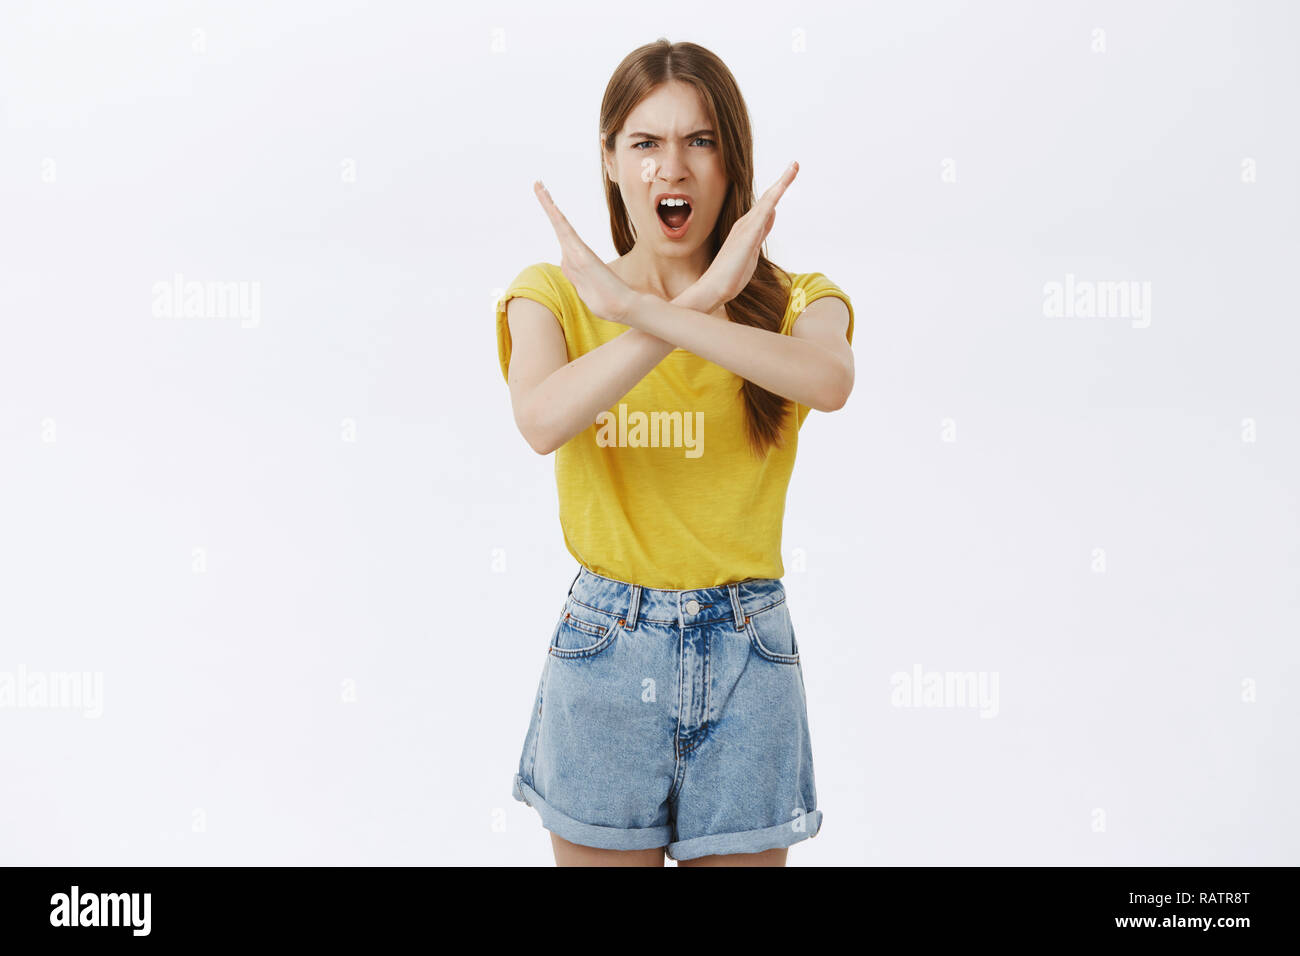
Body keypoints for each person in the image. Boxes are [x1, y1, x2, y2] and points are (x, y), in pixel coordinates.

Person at [495, 38, 855, 867]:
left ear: (732, 161)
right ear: (612, 162)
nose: (673, 168)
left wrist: (658, 307)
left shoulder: (799, 301)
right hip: (604, 653)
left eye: (700, 141)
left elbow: (830, 380)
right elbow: (543, 419)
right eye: (645, 143)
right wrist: (680, 303)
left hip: (748, 659)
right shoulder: (552, 297)